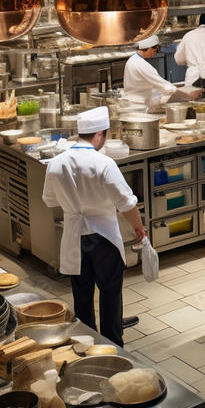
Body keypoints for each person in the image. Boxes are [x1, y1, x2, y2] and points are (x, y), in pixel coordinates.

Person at [42, 107, 146, 345]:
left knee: (82, 292)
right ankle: (112, 342)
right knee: (110, 291)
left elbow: (49, 200)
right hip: (104, 237)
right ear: (100, 134)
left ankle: (86, 342)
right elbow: (127, 204)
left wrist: (72, 202)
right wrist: (139, 229)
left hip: (73, 236)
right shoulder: (104, 164)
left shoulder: (56, 163)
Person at [123, 35, 198, 106]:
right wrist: (187, 96)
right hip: (139, 104)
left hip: (135, 101)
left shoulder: (132, 59)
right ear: (150, 48)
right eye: (156, 50)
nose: (155, 53)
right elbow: (164, 86)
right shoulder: (141, 65)